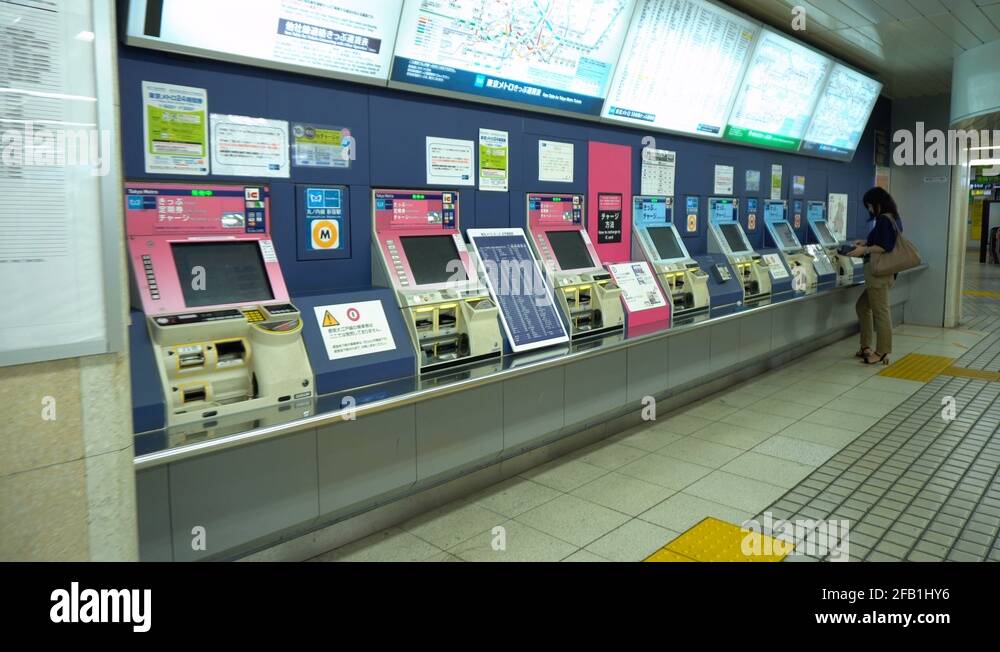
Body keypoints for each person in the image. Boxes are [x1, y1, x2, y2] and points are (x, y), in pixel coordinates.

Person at [847, 187, 902, 365]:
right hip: (886, 273)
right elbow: (884, 241)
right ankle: (865, 346)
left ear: (878, 203)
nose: (870, 210)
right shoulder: (893, 218)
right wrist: (865, 242)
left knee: (881, 312)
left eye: (870, 206)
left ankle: (882, 351)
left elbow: (885, 246)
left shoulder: (885, 220)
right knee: (863, 306)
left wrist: (864, 249)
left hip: (879, 274)